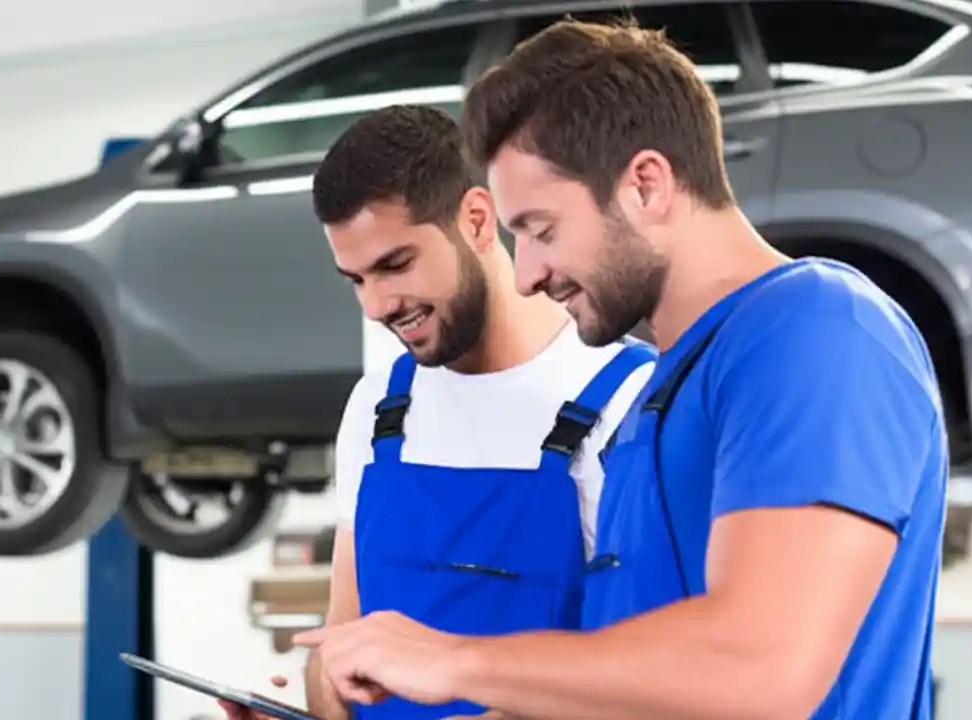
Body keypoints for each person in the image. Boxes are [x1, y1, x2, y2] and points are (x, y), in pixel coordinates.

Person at [295, 18, 949, 720]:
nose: (528, 275)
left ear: (646, 185)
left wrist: (453, 659)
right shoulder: (655, 409)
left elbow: (758, 667)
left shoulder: (817, 334)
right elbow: (637, 692)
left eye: (542, 231)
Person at [220, 105, 655, 720]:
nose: (376, 306)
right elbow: (338, 645)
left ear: (477, 219)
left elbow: (656, 679)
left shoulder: (625, 403)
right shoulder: (377, 409)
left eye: (395, 266)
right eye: (356, 280)